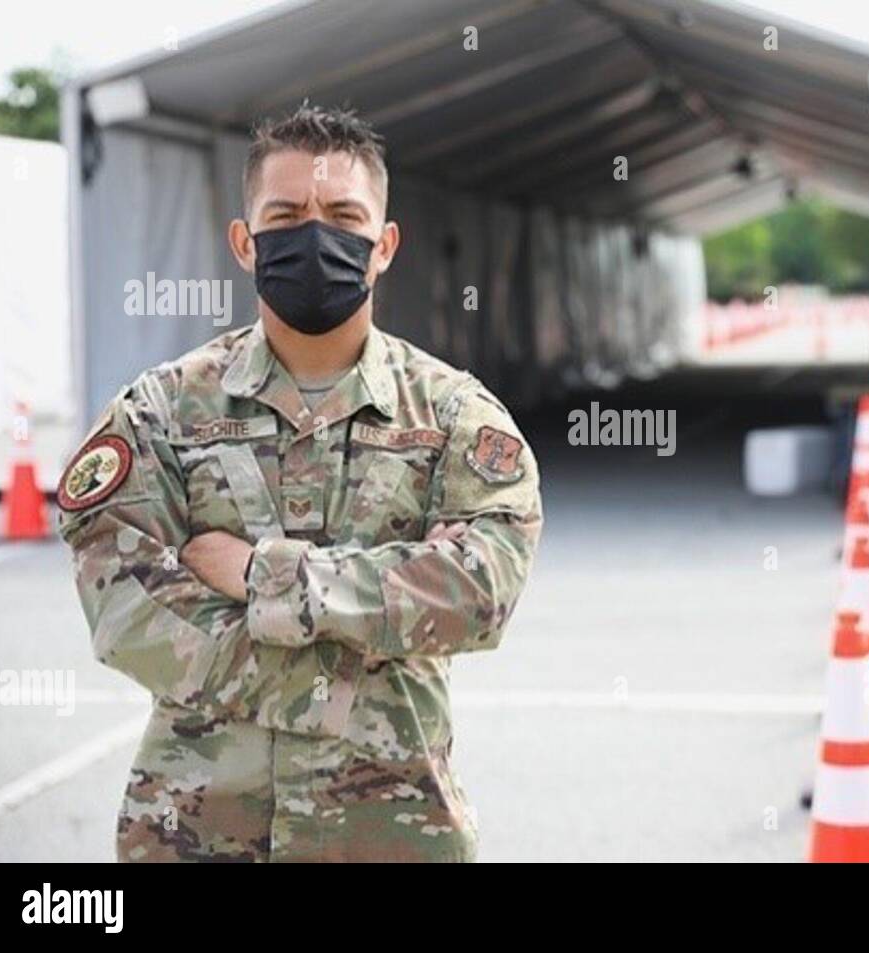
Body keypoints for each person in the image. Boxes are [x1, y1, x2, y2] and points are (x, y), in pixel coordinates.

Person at [58, 103, 542, 862]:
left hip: (391, 836)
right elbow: (127, 612)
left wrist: (262, 575)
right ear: (245, 243)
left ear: (383, 246)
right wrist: (346, 678)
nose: (314, 233)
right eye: (285, 214)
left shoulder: (454, 416)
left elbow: (479, 593)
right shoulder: (159, 412)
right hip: (193, 833)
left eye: (343, 214)